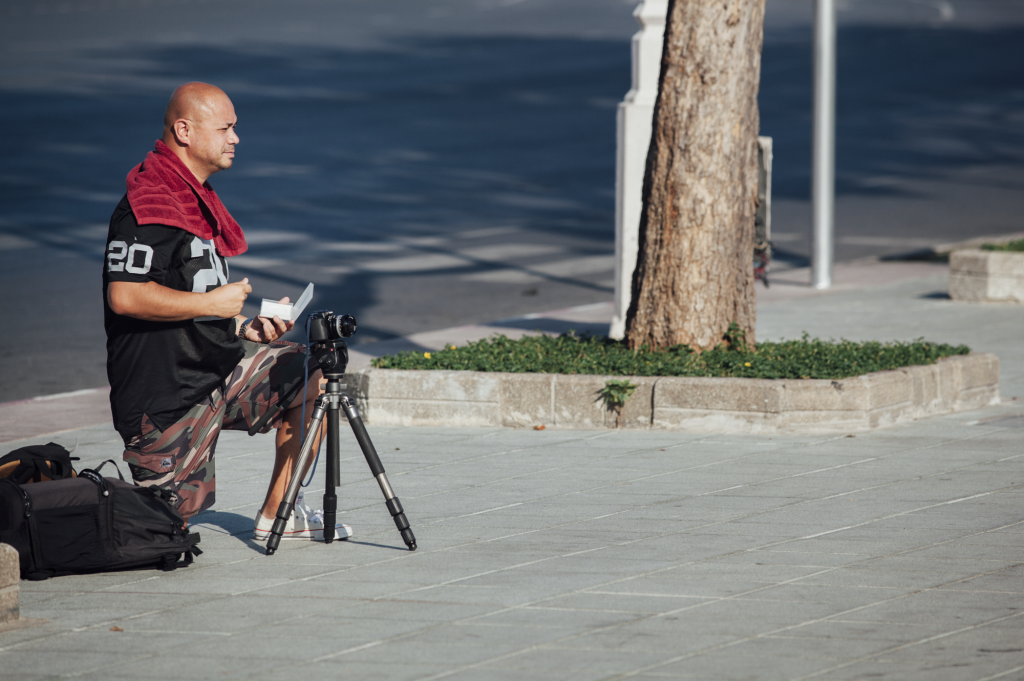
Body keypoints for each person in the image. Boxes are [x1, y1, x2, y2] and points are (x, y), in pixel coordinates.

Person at [102, 82, 350, 541]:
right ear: (184, 130)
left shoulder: (193, 198)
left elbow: (186, 299)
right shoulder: (149, 205)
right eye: (226, 128)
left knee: (316, 373)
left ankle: (280, 513)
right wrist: (211, 304)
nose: (236, 138)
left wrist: (241, 325)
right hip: (166, 399)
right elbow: (126, 296)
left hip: (217, 370)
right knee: (163, 534)